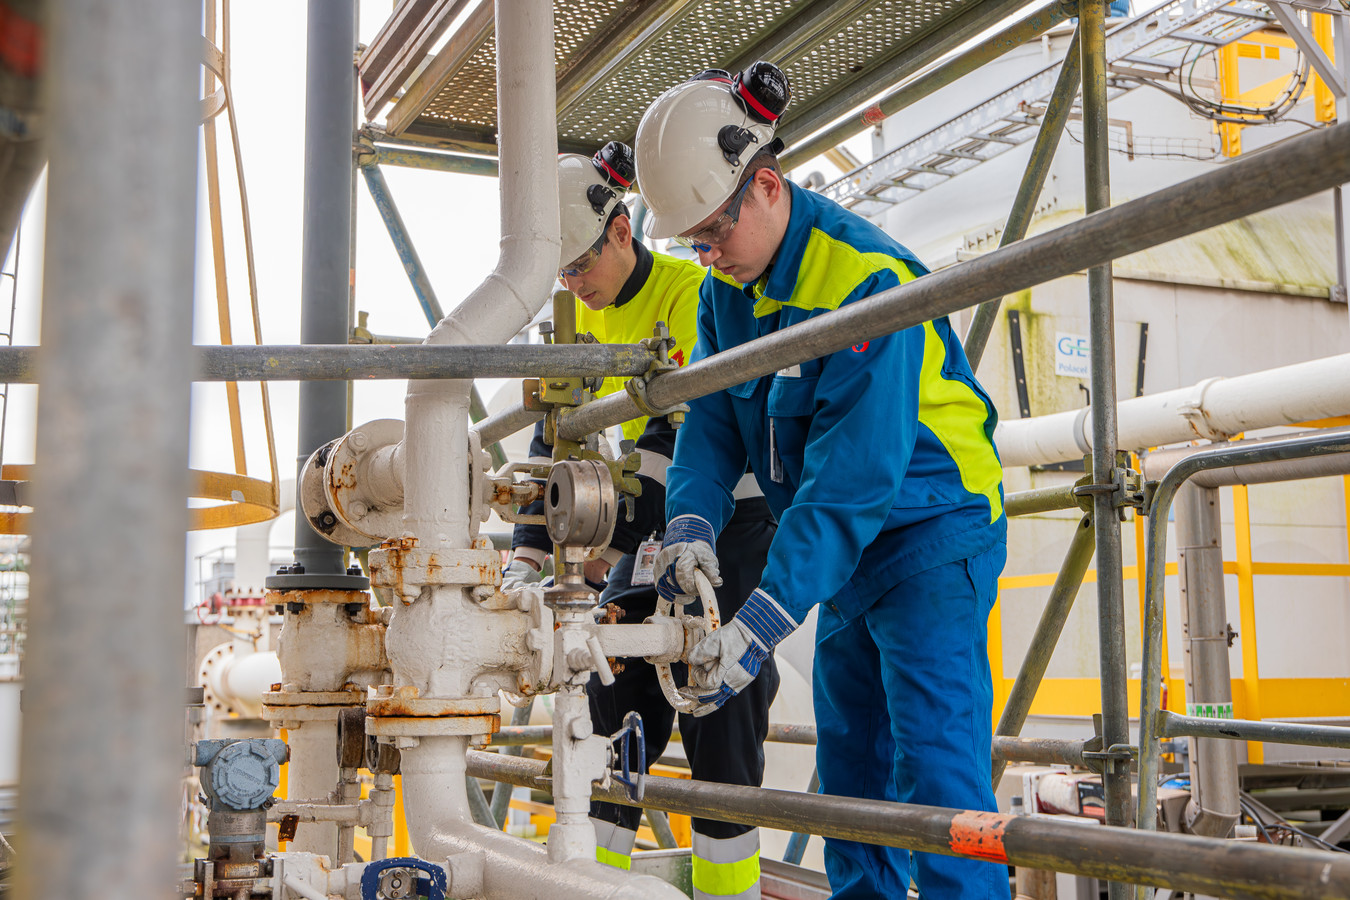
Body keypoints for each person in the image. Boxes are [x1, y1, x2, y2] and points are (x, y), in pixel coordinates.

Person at [636, 64, 1009, 900]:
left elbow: (854, 477)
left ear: (766, 187)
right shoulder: (727, 293)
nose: (706, 256)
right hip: (845, 549)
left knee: (938, 774)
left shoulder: (867, 281)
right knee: (852, 776)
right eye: (692, 242)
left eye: (712, 234)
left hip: (929, 528)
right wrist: (690, 524)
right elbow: (713, 422)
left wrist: (761, 619)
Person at [503, 142, 780, 900]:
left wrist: (610, 535)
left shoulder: (691, 294)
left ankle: (730, 892)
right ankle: (597, 884)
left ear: (620, 232)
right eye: (561, 274)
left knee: (720, 699)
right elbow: (552, 437)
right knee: (613, 690)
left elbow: (684, 438)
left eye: (579, 266)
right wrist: (527, 556)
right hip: (652, 525)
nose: (573, 285)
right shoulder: (576, 320)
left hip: (730, 514)